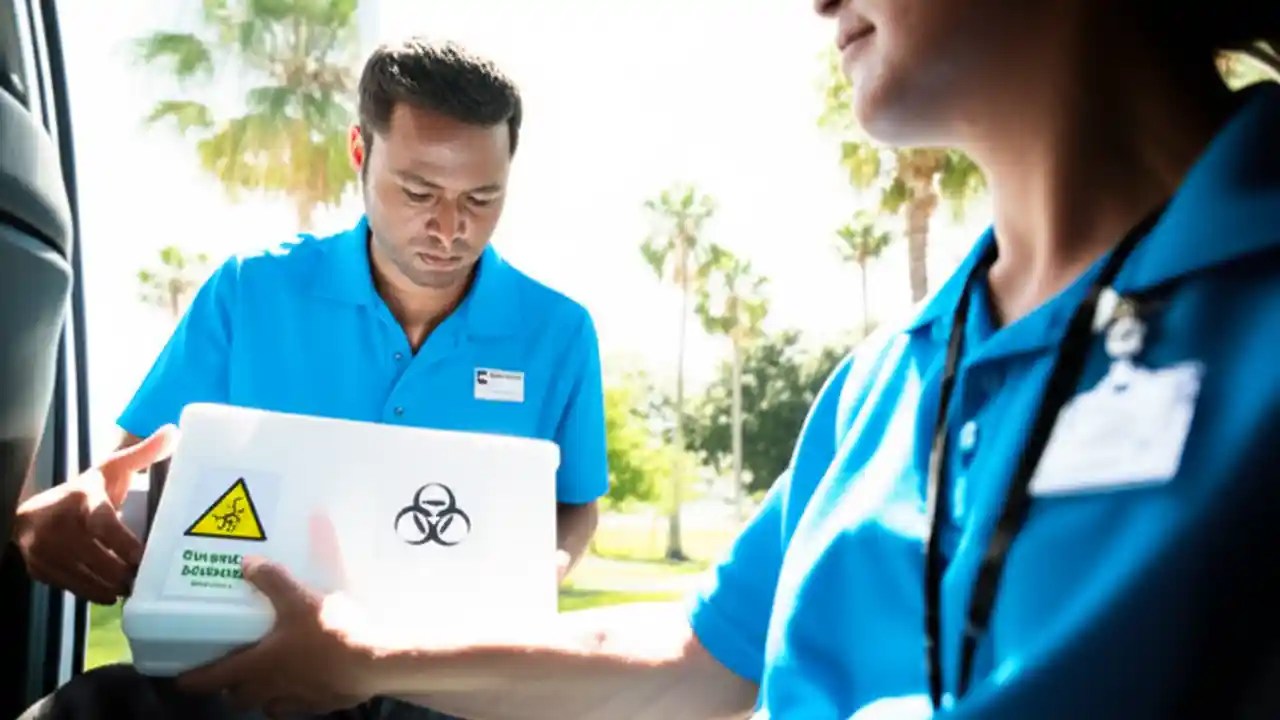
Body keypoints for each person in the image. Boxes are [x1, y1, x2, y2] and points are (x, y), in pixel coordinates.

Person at [21, 1, 1280, 719]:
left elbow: (590, 537)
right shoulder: (883, 384)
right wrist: (352, 659)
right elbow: (702, 661)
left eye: (480, 198)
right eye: (417, 191)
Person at [14, 37, 607, 720]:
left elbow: (575, 504)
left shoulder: (559, 332)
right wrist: (88, 503)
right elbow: (132, 472)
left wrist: (547, 570)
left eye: (482, 197)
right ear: (360, 151)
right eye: (419, 192)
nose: (450, 228)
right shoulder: (249, 291)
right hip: (251, 674)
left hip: (443, 688)